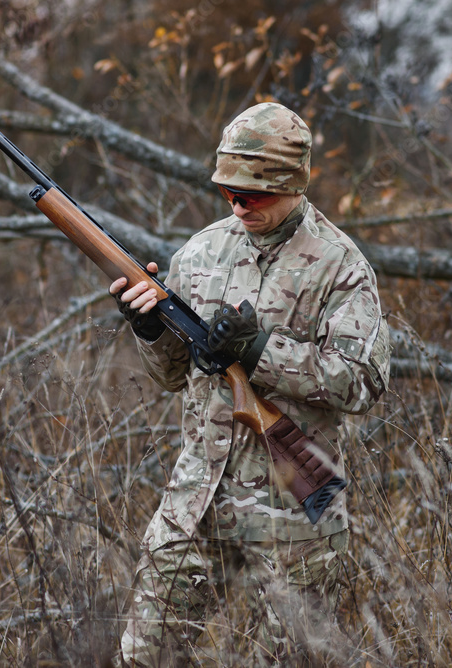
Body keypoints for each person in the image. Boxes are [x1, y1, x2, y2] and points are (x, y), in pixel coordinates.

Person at [110, 102, 391, 665]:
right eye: (228, 193)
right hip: (197, 498)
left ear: (293, 185)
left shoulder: (341, 266)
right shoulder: (201, 252)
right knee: (144, 655)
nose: (239, 206)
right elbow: (170, 375)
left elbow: (362, 382)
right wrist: (148, 327)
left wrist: (260, 351)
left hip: (293, 508)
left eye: (254, 195)